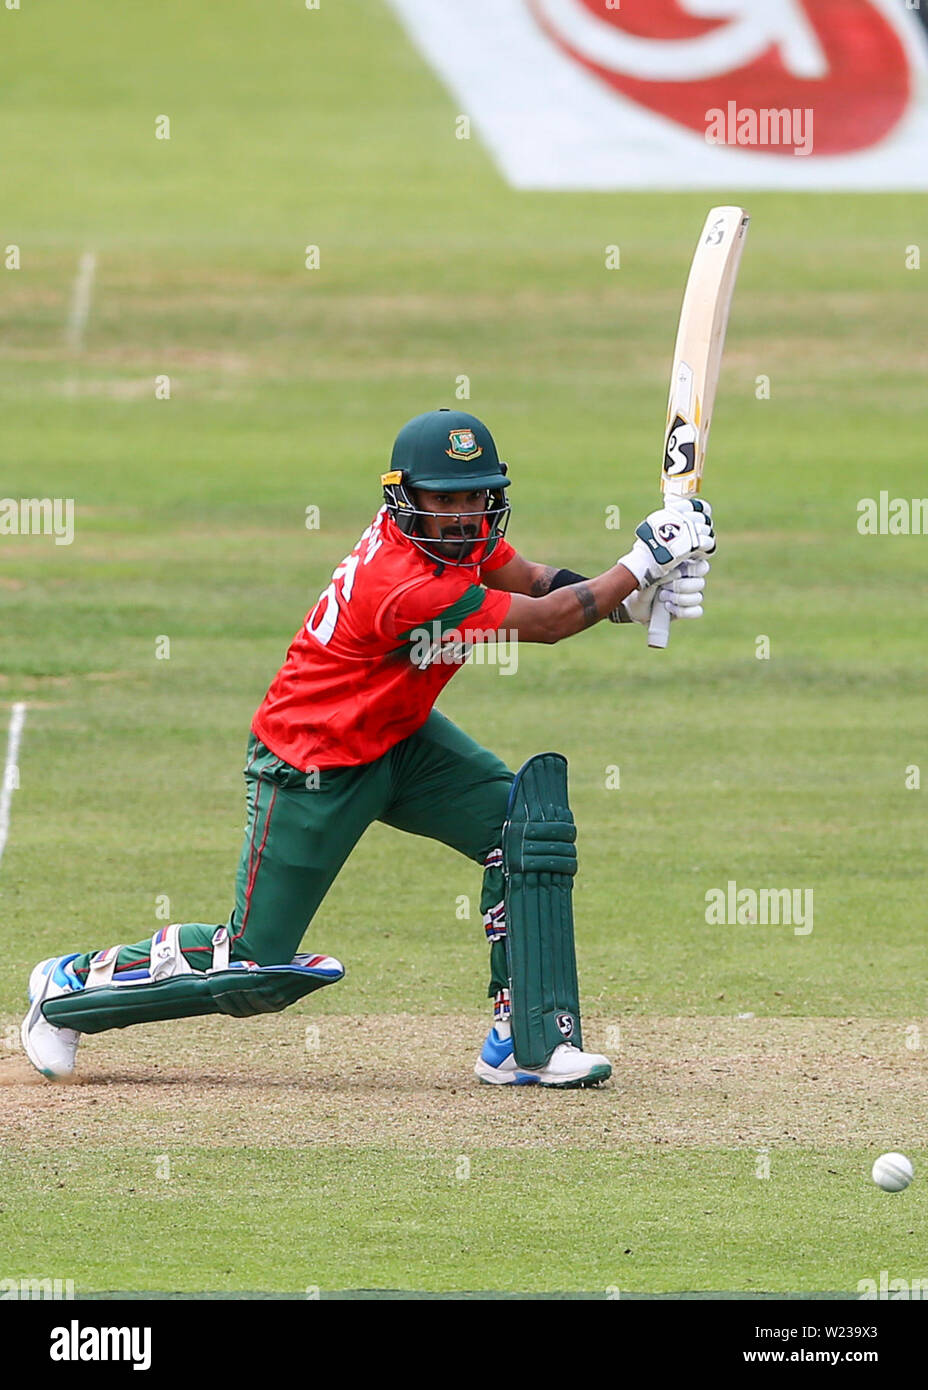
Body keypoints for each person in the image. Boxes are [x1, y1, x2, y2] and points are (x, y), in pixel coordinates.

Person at [21, 409, 713, 1088]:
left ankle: (524, 1040)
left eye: (476, 496)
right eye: (444, 499)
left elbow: (536, 583)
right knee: (253, 962)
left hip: (399, 736)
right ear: (405, 499)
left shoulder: (456, 539)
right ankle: (68, 990)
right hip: (312, 761)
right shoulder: (403, 583)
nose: (464, 513)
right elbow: (552, 623)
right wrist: (641, 561)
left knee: (522, 827)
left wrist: (629, 598)